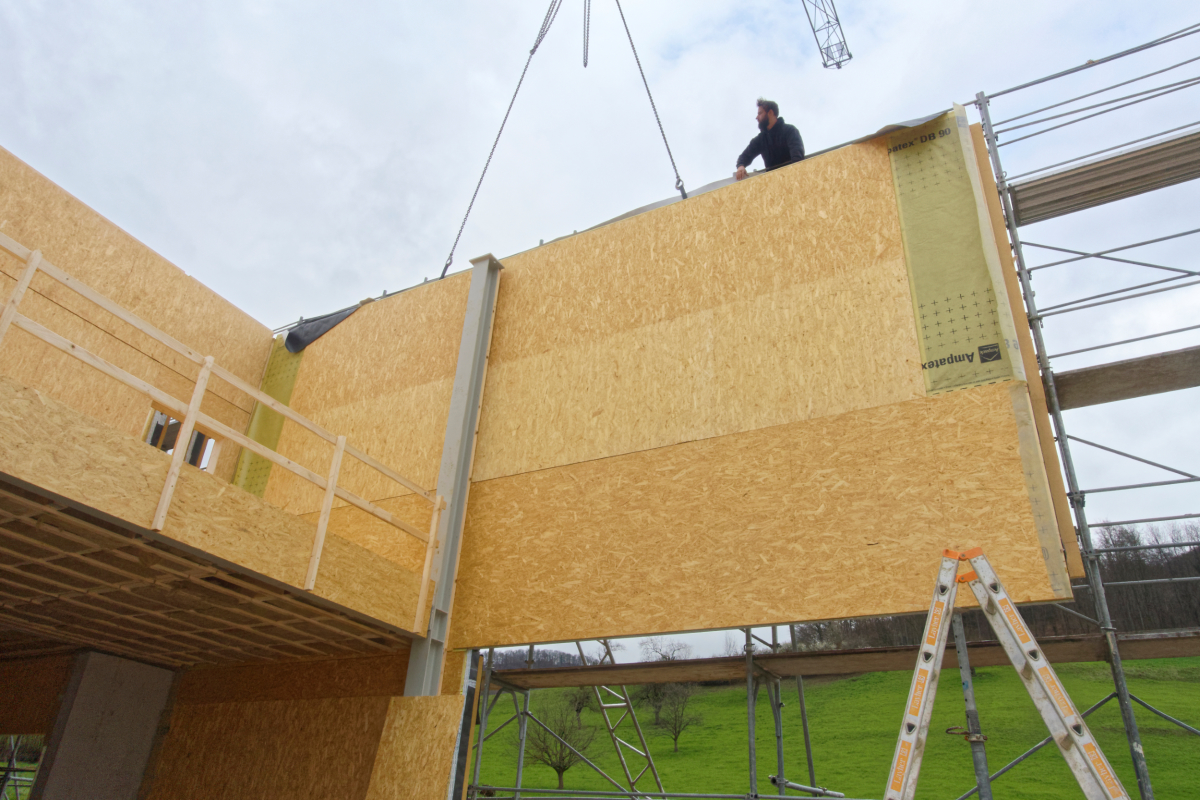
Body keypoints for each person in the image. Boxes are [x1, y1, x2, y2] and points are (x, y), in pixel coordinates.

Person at [735, 98, 805, 180]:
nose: (757, 117)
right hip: (773, 185)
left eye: (760, 113)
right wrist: (741, 166)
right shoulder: (761, 139)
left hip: (793, 180)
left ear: (770, 113)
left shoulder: (790, 131)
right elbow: (744, 156)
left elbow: (797, 159)